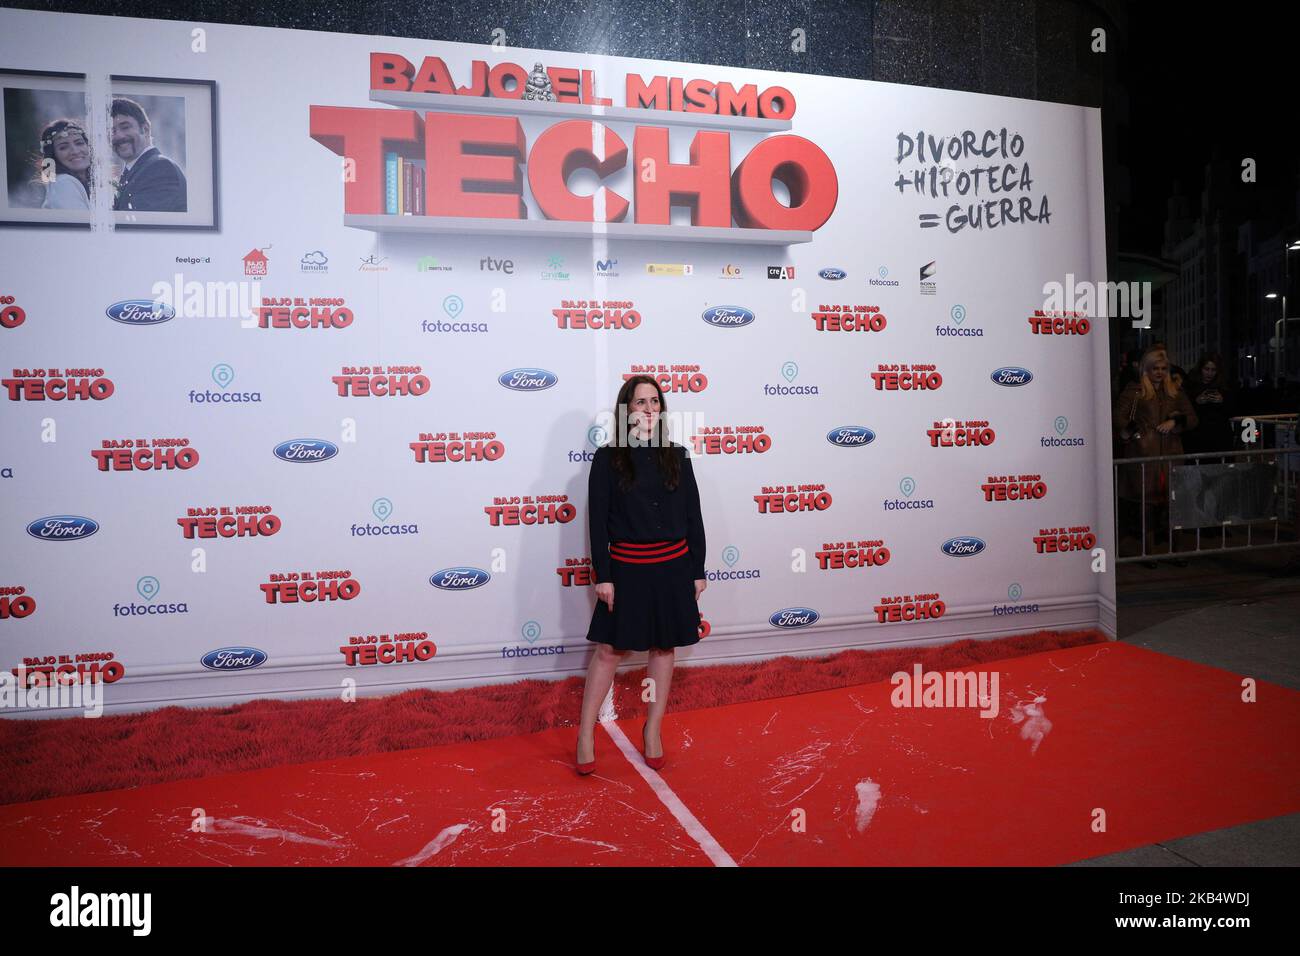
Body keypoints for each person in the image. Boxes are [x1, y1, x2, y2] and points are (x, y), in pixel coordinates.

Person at [575, 376, 707, 775]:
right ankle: (585, 733)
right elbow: (598, 522)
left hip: (673, 569)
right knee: (609, 651)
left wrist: (697, 570)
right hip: (627, 570)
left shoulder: (677, 455)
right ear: (626, 410)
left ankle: (652, 730)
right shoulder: (608, 458)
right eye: (640, 402)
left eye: (654, 401)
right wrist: (604, 575)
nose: (649, 409)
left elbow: (693, 515)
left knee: (664, 649)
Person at [1113, 347, 1197, 564]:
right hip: (1144, 455)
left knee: (1175, 503)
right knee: (1147, 506)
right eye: (1155, 368)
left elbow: (1192, 418)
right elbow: (1118, 418)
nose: (1159, 372)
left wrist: (1174, 421)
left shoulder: (1175, 391)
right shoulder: (1134, 391)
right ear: (1145, 369)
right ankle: (1149, 553)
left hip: (1171, 454)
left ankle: (1177, 551)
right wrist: (1136, 434)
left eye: (1163, 368)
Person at [110, 97, 187, 212]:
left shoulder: (160, 168)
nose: (119, 136)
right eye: (112, 131)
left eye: (125, 127)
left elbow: (141, 221)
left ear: (145, 129)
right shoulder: (133, 172)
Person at [1183, 352, 1233, 455]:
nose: (1209, 373)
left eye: (1213, 370)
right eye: (1206, 369)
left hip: (1219, 436)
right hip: (1197, 437)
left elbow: (1233, 410)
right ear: (1200, 369)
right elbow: (1183, 409)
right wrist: (1196, 402)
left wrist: (1222, 401)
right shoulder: (1190, 385)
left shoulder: (1224, 386)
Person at [36, 119, 92, 209]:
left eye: (79, 143)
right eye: (63, 147)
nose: (75, 151)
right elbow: (77, 218)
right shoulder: (63, 183)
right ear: (53, 155)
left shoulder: (92, 183)